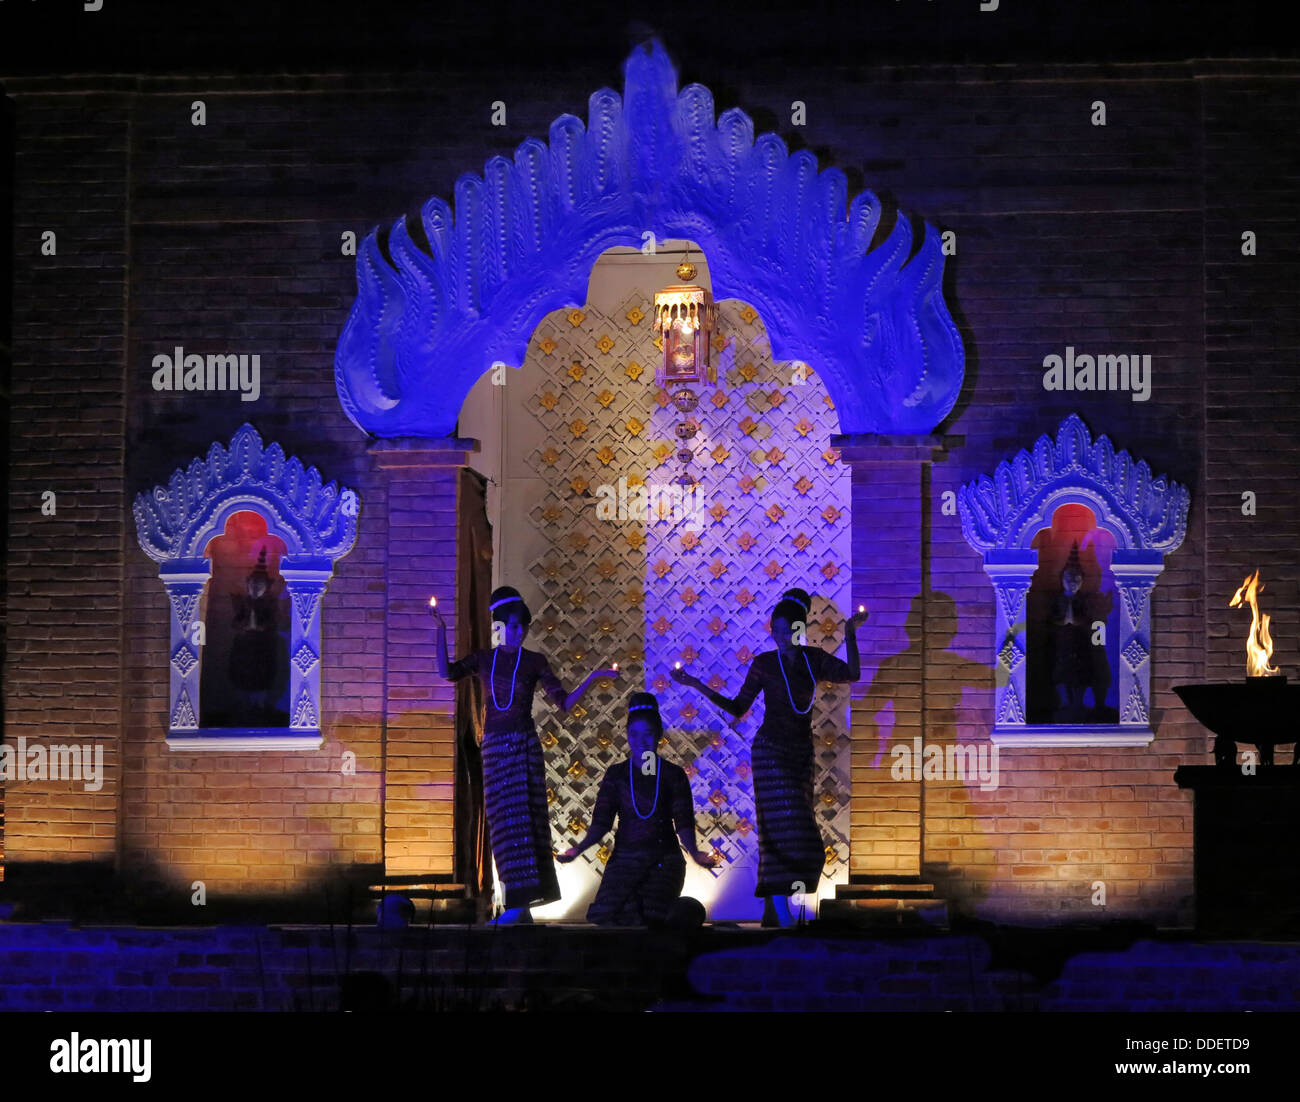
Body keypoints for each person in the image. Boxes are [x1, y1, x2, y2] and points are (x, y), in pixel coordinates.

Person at [671, 594, 868, 927]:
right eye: (774, 630)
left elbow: (852, 673)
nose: (779, 636)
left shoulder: (812, 659)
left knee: (804, 836)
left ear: (798, 629)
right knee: (779, 830)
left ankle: (778, 911)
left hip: (800, 752)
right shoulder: (764, 663)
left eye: (785, 630)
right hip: (770, 752)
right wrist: (695, 684)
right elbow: (738, 707)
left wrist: (850, 632)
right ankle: (780, 910)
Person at [431, 585, 618, 925]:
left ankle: (521, 906)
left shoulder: (535, 661)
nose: (518, 632)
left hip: (523, 746)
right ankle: (517, 907)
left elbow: (563, 703)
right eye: (512, 626)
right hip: (494, 749)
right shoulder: (484, 659)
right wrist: (441, 631)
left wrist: (592, 678)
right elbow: (447, 672)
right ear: (499, 626)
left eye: (523, 627)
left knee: (525, 822)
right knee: (503, 825)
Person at [559, 692, 717, 925]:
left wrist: (694, 853)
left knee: (651, 917)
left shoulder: (673, 774)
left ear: (658, 736)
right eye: (634, 734)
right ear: (627, 735)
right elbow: (602, 822)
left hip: (664, 860)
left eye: (647, 734)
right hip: (625, 859)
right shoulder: (617, 774)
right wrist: (578, 849)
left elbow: (683, 821)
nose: (640, 741)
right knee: (606, 915)